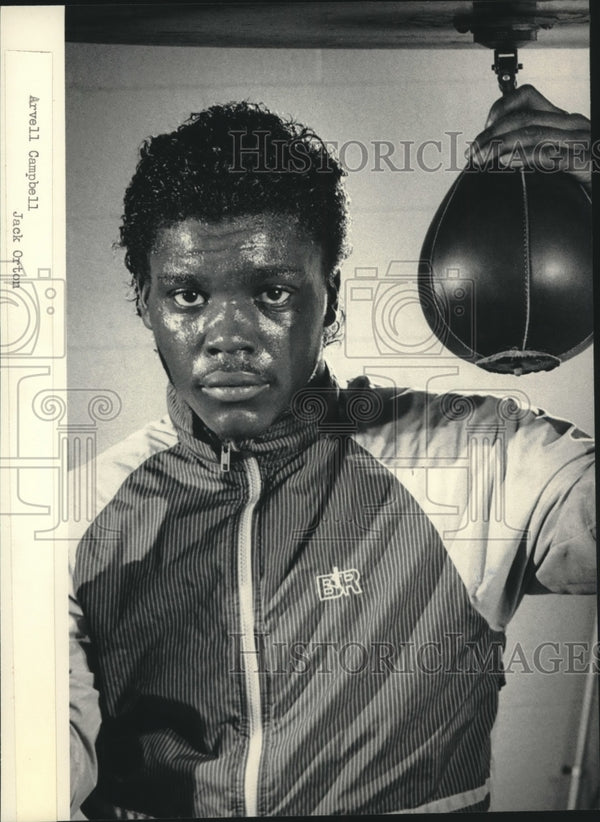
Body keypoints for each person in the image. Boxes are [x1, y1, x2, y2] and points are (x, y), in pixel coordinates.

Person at [69, 86, 596, 818]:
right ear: (144, 301)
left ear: (333, 298)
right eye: (187, 296)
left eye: (272, 291)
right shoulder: (85, 512)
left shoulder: (479, 462)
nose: (228, 335)